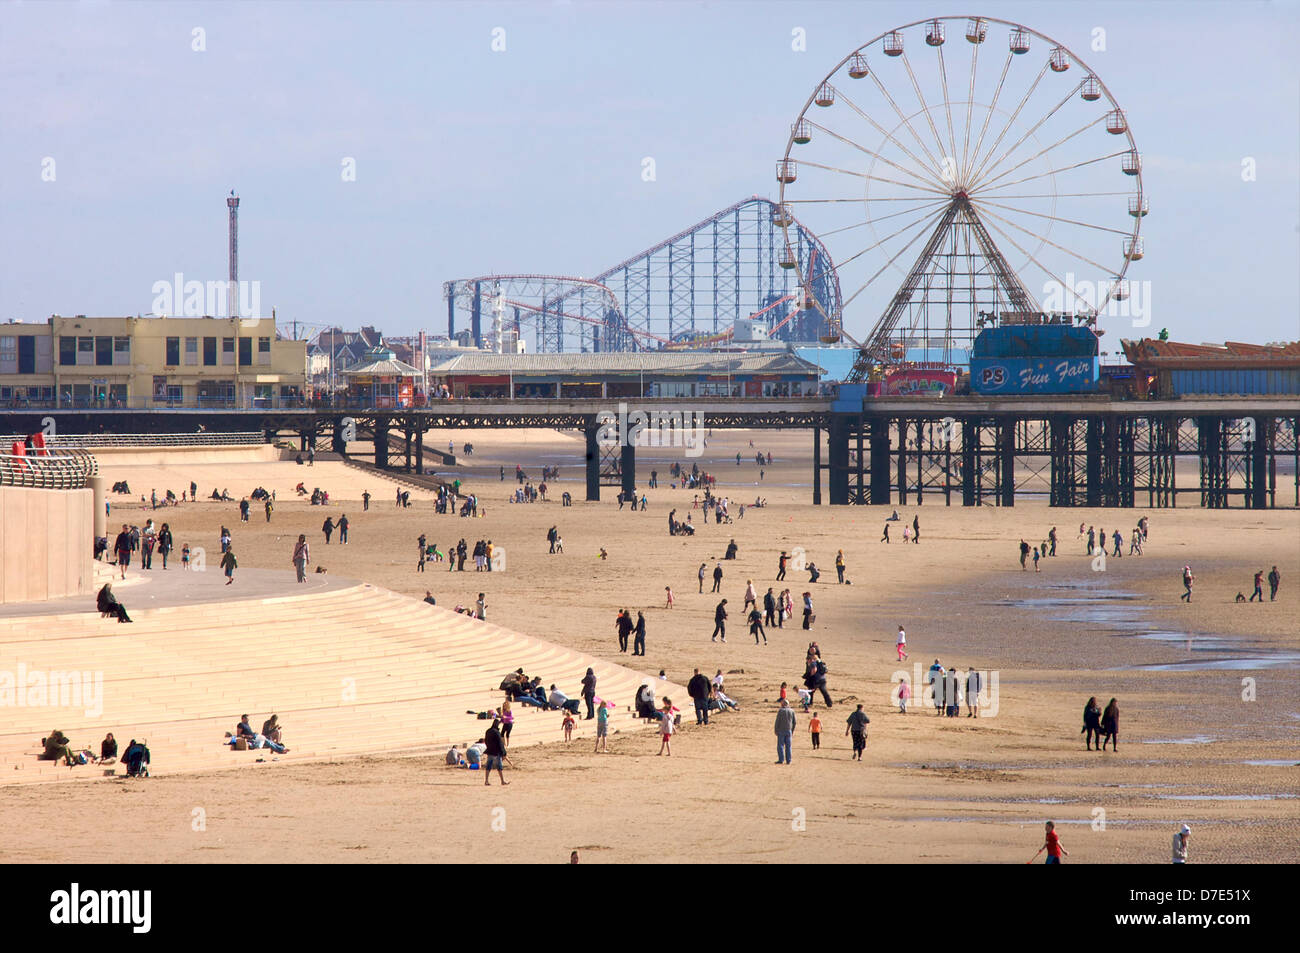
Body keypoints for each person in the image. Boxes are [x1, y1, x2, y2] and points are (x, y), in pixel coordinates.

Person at [483, 719, 508, 786]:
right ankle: (502, 781)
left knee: (488, 766)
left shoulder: (488, 731)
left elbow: (486, 741)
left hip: (490, 751)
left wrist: (488, 747)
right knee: (499, 767)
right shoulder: (496, 732)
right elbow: (500, 743)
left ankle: (486, 781)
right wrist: (504, 752)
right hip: (496, 752)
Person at [774, 699, 796, 764]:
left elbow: (777, 721)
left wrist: (776, 729)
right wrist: (792, 730)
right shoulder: (792, 711)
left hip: (781, 730)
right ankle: (788, 760)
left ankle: (781, 759)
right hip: (789, 730)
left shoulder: (781, 711)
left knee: (780, 745)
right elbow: (794, 722)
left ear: (783, 704)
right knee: (788, 746)